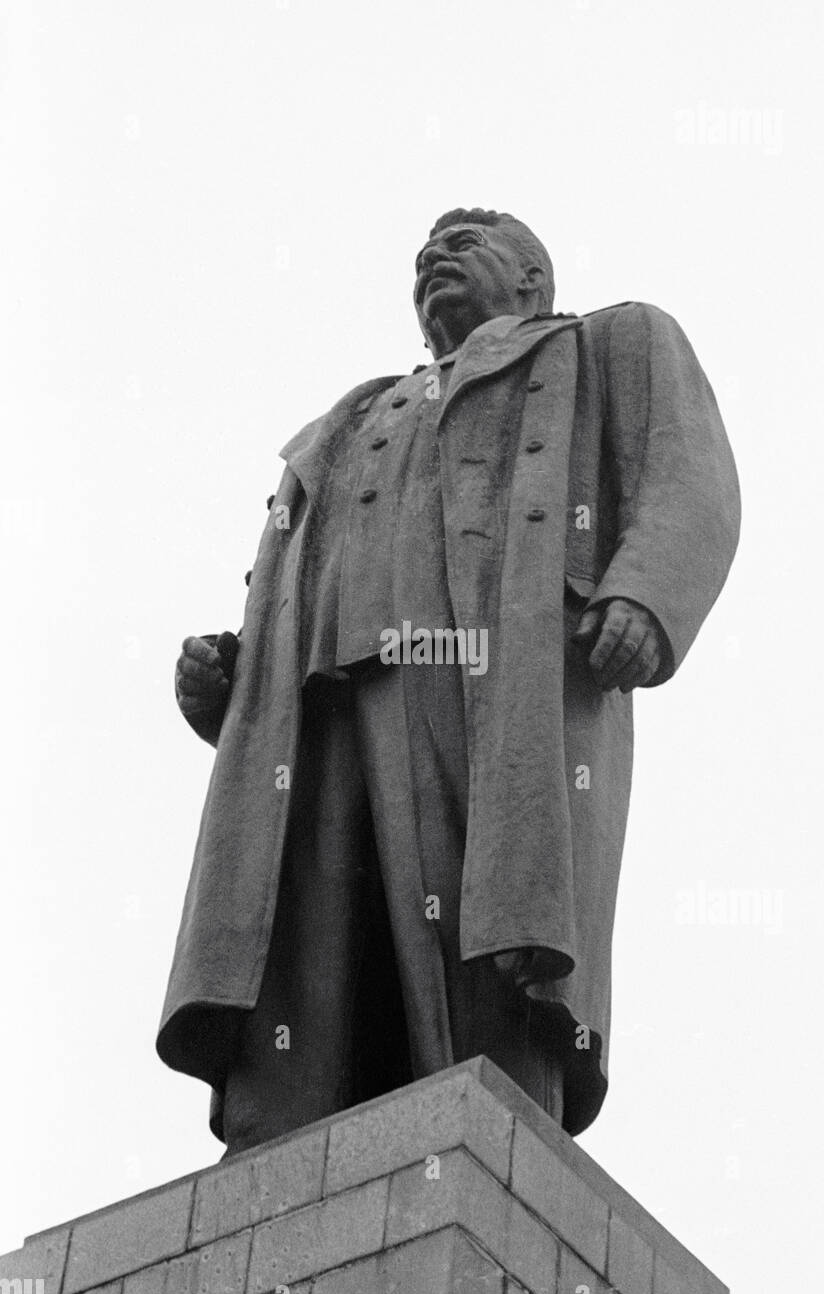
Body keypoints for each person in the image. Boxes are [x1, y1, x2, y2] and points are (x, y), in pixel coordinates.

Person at [159, 208, 740, 1154]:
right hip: (323, 700)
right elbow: (289, 582)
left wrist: (646, 596)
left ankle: (494, 1133)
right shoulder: (350, 418)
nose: (435, 254)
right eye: (424, 251)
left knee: (492, 919)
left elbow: (691, 476)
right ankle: (278, 1147)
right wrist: (231, 688)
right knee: (305, 939)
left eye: (467, 239)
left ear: (530, 280)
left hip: (487, 679)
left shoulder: (609, 343)